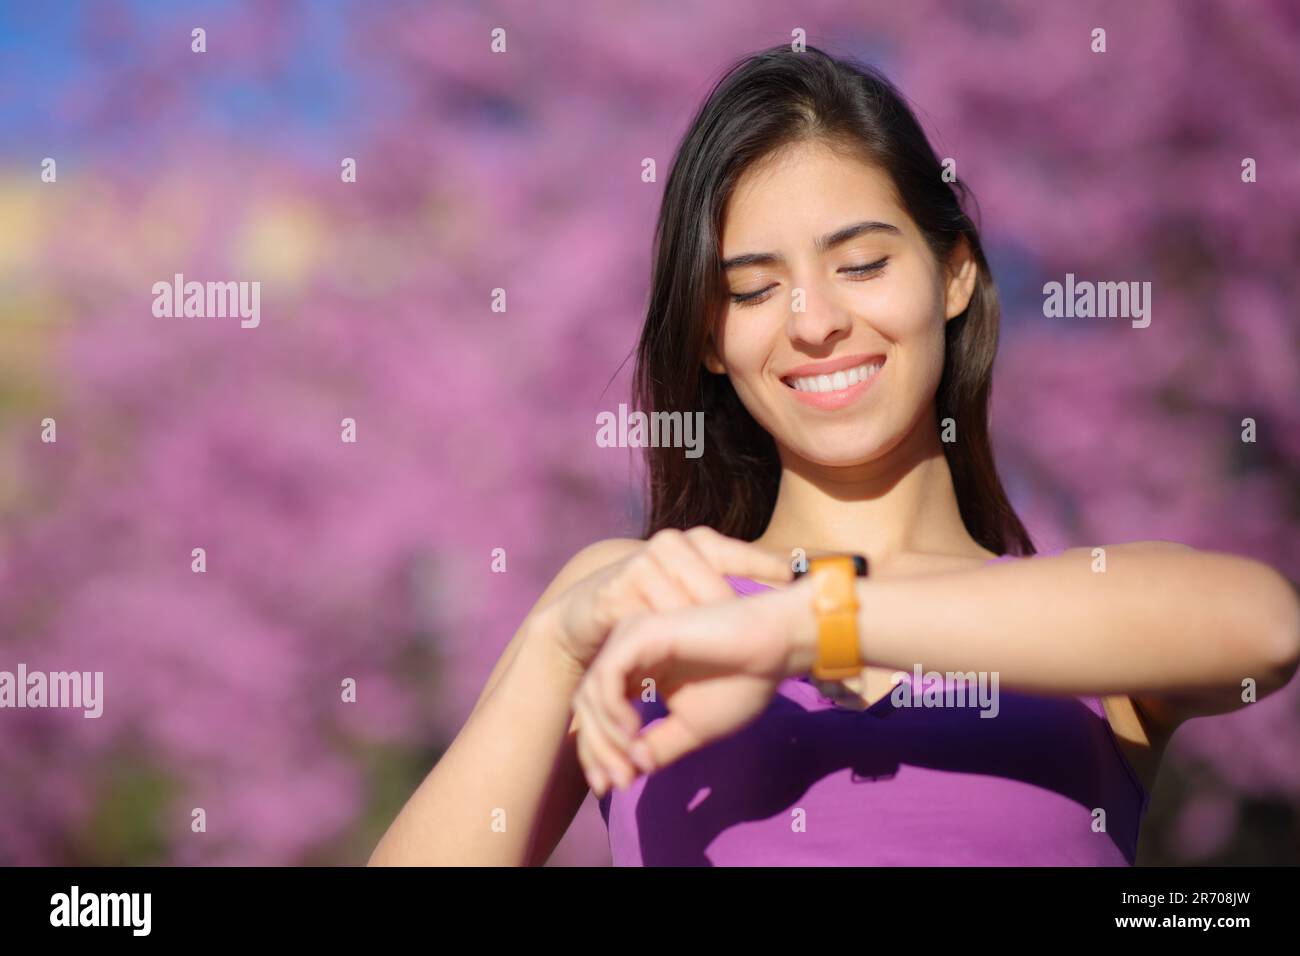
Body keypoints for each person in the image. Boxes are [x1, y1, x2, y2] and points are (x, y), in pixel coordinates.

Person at [369, 45, 1299, 866]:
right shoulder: (644, 605)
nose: (816, 322)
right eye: (754, 289)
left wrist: (809, 625)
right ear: (707, 337)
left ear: (957, 273)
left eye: (861, 266)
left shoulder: (1079, 621)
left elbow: (1263, 627)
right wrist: (554, 646)